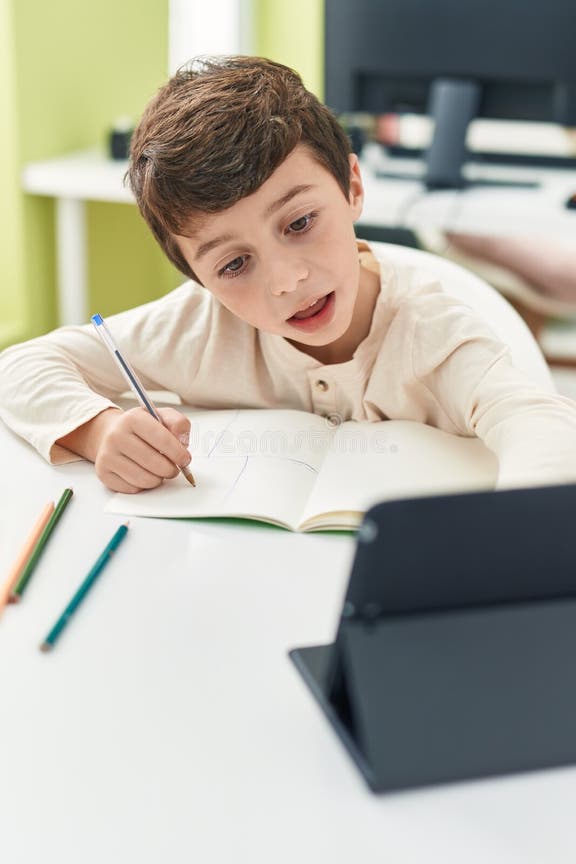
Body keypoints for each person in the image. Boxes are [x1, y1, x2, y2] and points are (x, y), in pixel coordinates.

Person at [1, 55, 576, 493]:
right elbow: (20, 365)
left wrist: (509, 545)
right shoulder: (199, 327)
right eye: (233, 264)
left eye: (299, 222)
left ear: (352, 186)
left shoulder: (434, 336)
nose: (284, 280)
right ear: (198, 279)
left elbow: (539, 424)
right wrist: (99, 429)